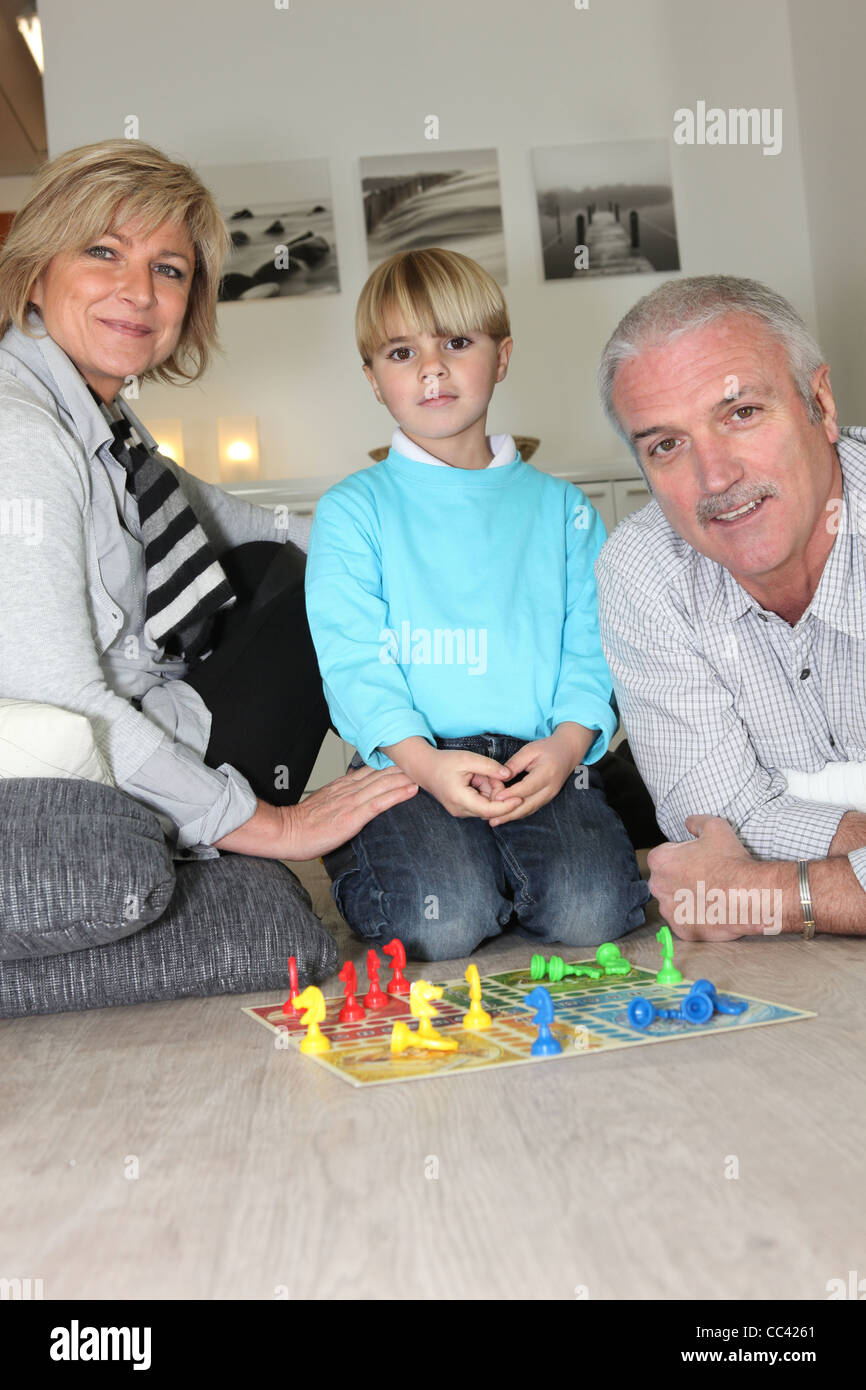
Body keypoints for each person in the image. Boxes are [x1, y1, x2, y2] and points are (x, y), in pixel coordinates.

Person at [0, 138, 418, 872]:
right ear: (35, 273)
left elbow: (237, 520)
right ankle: (432, 774)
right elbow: (61, 700)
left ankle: (459, 750)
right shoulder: (22, 435)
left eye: (168, 269)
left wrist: (425, 550)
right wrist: (274, 826)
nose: (139, 292)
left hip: (159, 704)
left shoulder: (101, 419)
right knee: (313, 590)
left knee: (276, 562)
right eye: (104, 252)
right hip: (119, 782)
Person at [305, 247, 649, 960]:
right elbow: (354, 661)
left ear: (502, 356)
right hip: (408, 763)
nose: (432, 369)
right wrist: (423, 764)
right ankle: (395, 856)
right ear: (373, 380)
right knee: (443, 923)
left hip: (539, 757)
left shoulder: (562, 509)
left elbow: (592, 645)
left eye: (457, 343)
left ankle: (510, 868)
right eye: (402, 352)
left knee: (593, 913)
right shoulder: (352, 509)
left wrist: (568, 744)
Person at [595, 274, 866, 939]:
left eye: (741, 413)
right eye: (666, 445)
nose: (715, 477)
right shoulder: (641, 569)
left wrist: (768, 893)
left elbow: (728, 875)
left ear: (821, 404)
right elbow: (712, 816)